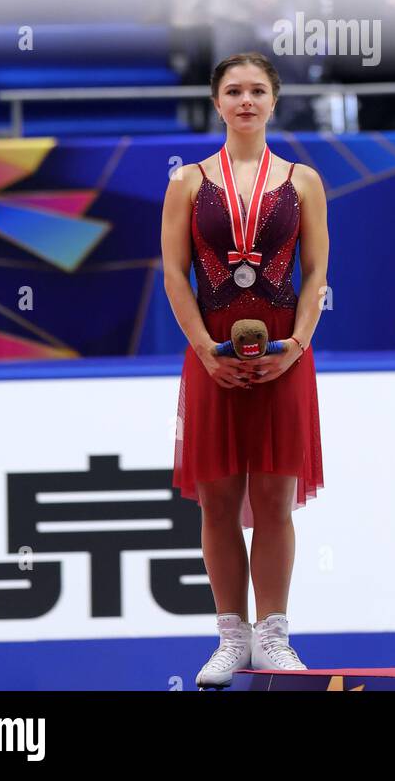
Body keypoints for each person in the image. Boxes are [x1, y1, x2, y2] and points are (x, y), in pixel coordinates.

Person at [161, 51, 328, 688]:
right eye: (234, 91)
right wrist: (205, 348)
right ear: (217, 102)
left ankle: (274, 634)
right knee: (220, 503)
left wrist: (299, 343)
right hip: (213, 359)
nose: (246, 101)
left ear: (274, 100)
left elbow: (315, 273)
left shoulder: (303, 181)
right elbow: (176, 272)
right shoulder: (188, 183)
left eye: (257, 90)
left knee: (276, 503)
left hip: (286, 359)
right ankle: (231, 635)